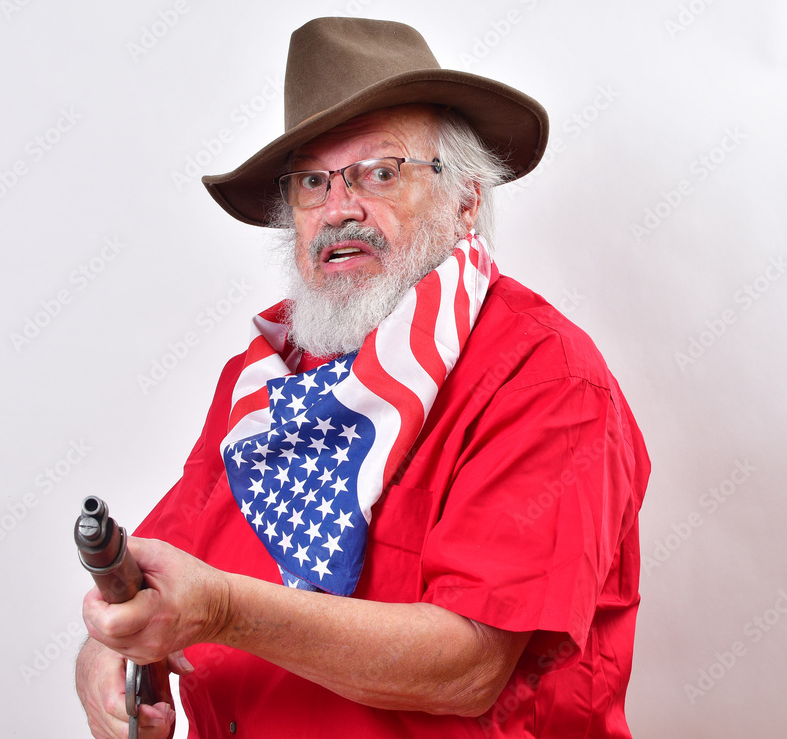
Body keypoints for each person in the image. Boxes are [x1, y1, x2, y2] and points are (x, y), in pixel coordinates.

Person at [76, 17, 650, 739]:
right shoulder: (261, 381)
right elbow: (159, 575)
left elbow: (469, 670)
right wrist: (104, 654)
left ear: (466, 200)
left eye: (381, 172)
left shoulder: (545, 377)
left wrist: (223, 610)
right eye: (312, 181)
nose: (340, 208)